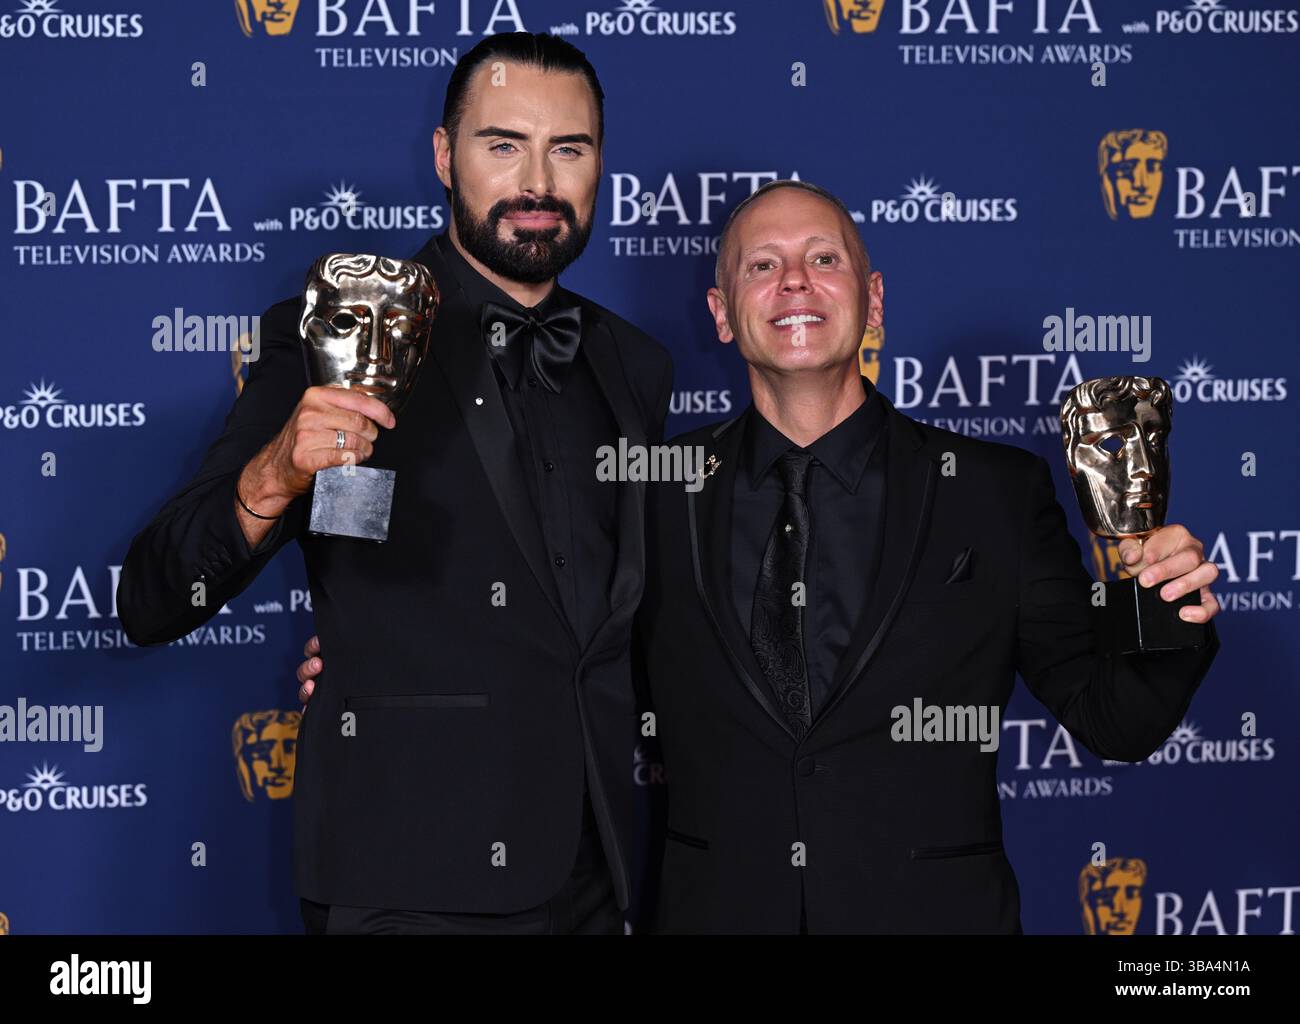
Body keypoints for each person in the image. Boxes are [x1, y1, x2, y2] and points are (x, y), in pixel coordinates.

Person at [296, 179, 1221, 934]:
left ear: (874, 298)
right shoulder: (651, 491)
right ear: (723, 313)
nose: (796, 285)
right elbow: (556, 650)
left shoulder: (993, 489)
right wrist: (378, 656)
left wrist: (1160, 608)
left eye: (825, 261)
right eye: (763, 267)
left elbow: (1115, 721)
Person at [118, 32, 672, 935]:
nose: (538, 181)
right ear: (445, 157)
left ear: (600, 163)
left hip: (598, 870)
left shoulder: (634, 365)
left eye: (567, 148)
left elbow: (627, 619)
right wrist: (275, 475)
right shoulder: (332, 335)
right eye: (504, 145)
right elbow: (150, 599)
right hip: (408, 875)